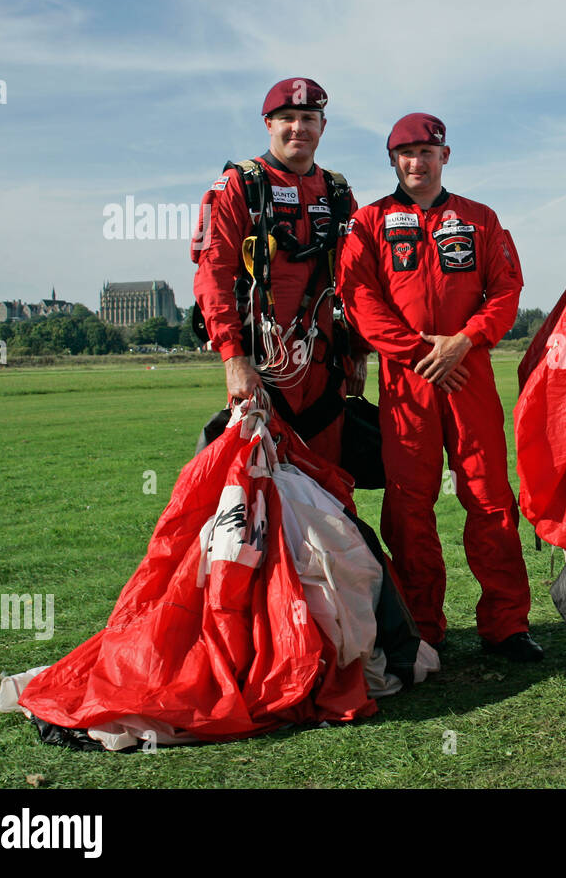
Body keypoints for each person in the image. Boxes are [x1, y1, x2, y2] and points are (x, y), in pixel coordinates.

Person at [337, 113, 541, 662]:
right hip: (408, 384)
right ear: (393, 161)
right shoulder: (368, 222)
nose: (416, 162)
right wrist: (422, 352)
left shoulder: (480, 219)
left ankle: (507, 625)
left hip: (468, 373)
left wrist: (465, 341)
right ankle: (422, 625)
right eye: (405, 154)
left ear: (444, 156)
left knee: (491, 500)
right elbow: (358, 298)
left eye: (427, 152)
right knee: (409, 507)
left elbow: (506, 288)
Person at [191, 77, 363, 463]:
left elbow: (356, 281)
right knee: (259, 487)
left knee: (330, 487)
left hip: (324, 370)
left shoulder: (338, 192)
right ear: (268, 123)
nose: (297, 127)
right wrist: (233, 359)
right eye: (287, 117)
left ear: (322, 126)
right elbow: (212, 275)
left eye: (308, 117)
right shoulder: (240, 185)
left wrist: (358, 352)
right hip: (261, 367)